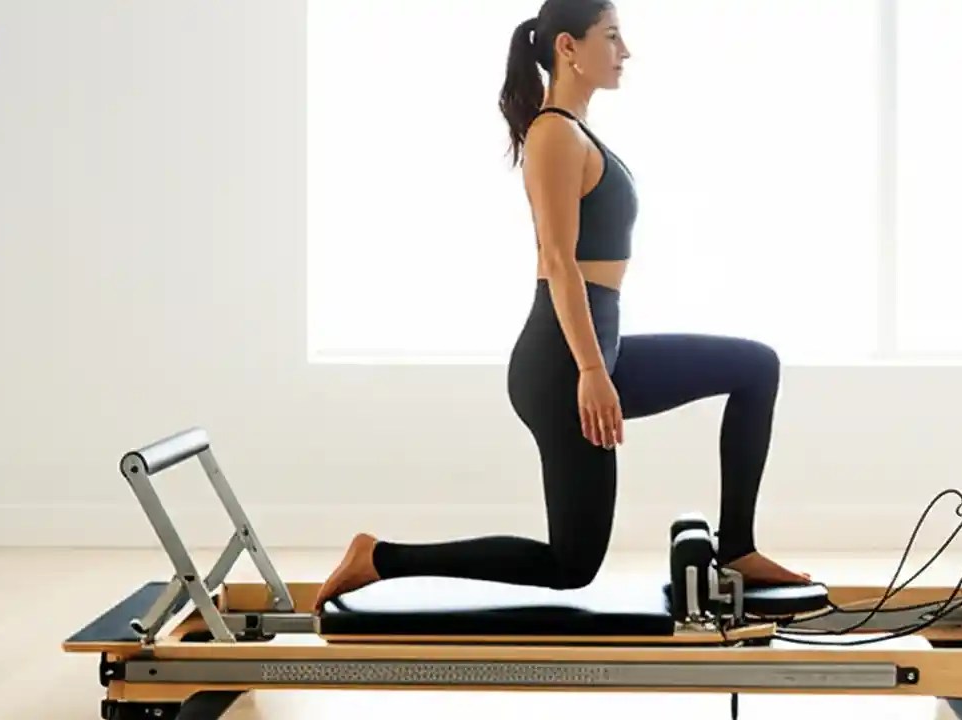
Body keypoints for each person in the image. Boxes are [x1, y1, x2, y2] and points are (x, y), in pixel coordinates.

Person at [314, 0, 811, 608]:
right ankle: (379, 557)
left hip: (595, 350)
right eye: (612, 36)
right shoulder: (553, 134)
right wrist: (593, 372)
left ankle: (738, 546)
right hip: (562, 365)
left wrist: (601, 363)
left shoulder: (577, 132)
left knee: (755, 366)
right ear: (567, 49)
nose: (625, 51)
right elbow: (557, 261)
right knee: (571, 564)